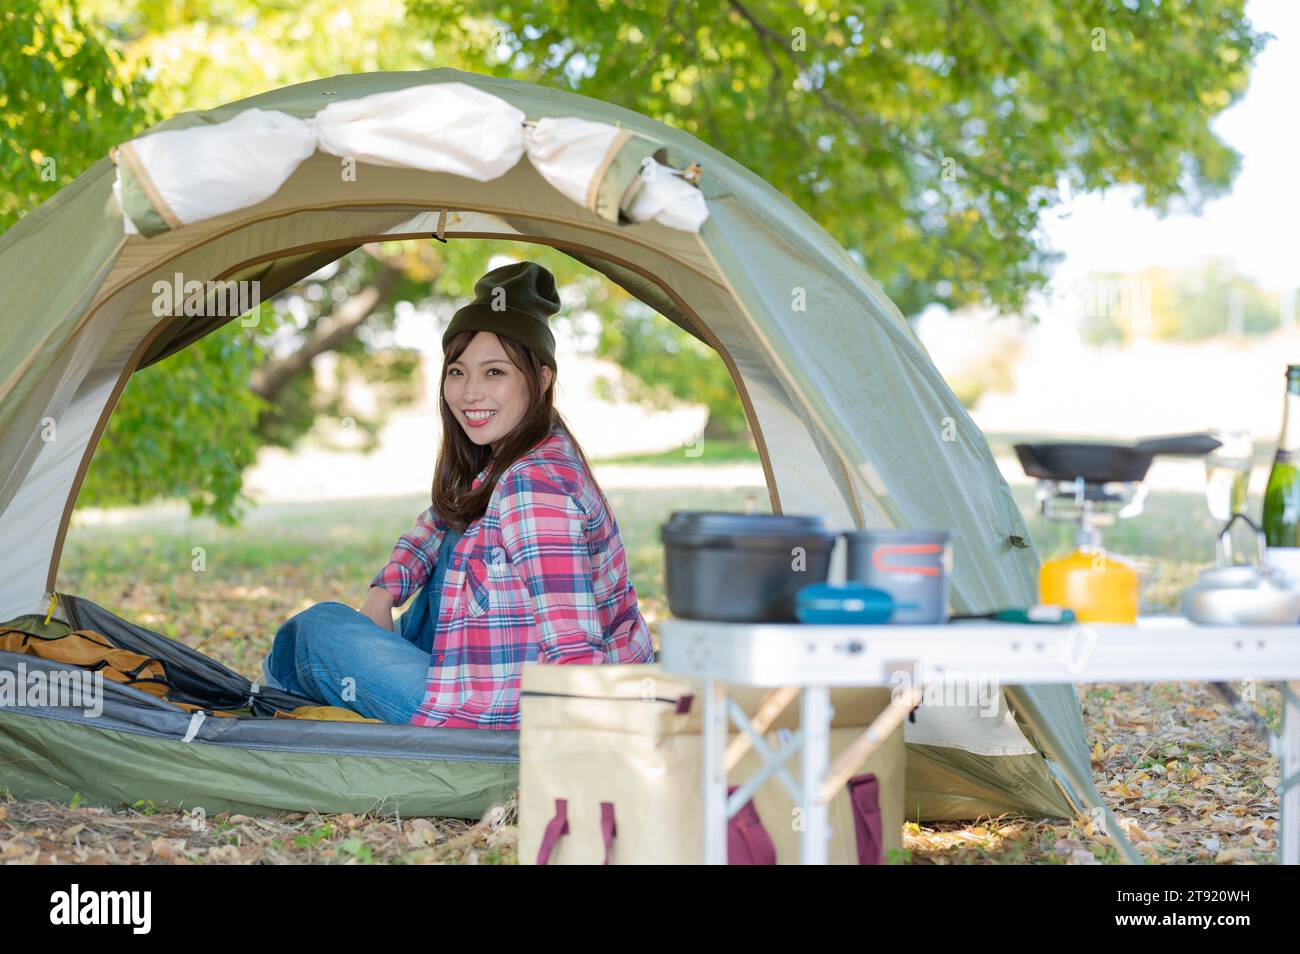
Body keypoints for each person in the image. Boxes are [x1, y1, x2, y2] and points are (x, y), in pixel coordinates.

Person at [259, 261, 654, 727]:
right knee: (450, 539)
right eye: (457, 372)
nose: (469, 393)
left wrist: (588, 744)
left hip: (500, 716)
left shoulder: (534, 486)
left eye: (494, 373)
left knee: (314, 630)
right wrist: (386, 590)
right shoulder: (515, 456)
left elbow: (571, 639)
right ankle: (335, 702)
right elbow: (441, 521)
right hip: (488, 666)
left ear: (542, 379)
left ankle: (288, 716)